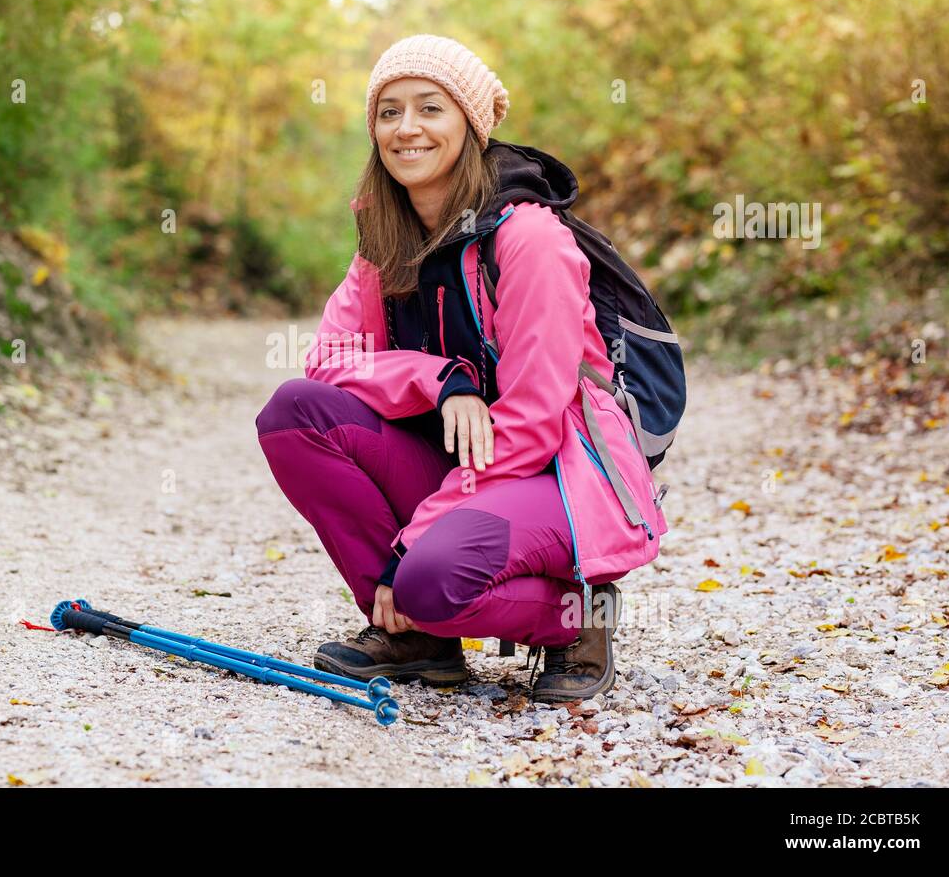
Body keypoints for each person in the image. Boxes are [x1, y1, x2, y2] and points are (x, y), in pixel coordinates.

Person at [255, 34, 668, 702]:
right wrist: (441, 383)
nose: (406, 129)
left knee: (427, 578)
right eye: (389, 112)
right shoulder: (386, 237)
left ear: (470, 125)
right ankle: (420, 639)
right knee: (293, 414)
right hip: (462, 464)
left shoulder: (529, 239)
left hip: (553, 473)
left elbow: (534, 424)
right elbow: (330, 358)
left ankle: (577, 618)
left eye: (430, 109)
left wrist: (407, 546)